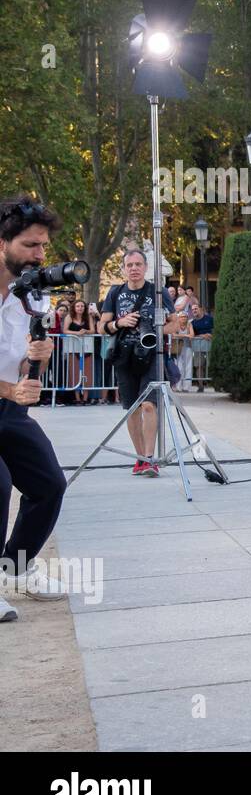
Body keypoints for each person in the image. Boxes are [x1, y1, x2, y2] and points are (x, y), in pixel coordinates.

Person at [0, 195, 70, 621]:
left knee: (48, 485)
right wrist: (10, 390)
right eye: (30, 245)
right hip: (5, 398)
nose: (40, 255)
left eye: (43, 245)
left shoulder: (33, 295)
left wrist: (37, 355)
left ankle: (16, 568)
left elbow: (26, 363)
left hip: (9, 409)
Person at [98, 248, 183, 476]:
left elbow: (175, 325)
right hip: (124, 356)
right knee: (132, 409)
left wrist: (155, 331)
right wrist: (120, 322)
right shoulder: (115, 292)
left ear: (145, 267)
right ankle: (139, 458)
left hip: (151, 356)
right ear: (124, 269)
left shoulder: (158, 292)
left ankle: (149, 457)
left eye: (138, 264)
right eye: (129, 265)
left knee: (149, 405)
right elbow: (101, 326)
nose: (134, 268)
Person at [63, 299, 93, 405]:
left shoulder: (88, 317)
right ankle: (77, 398)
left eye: (82, 306)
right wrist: (77, 333)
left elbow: (93, 331)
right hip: (73, 348)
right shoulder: (69, 317)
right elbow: (65, 330)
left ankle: (85, 398)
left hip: (87, 348)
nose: (80, 308)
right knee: (74, 372)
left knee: (87, 372)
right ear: (74, 308)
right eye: (78, 306)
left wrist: (86, 331)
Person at [189, 304, 213, 391]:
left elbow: (215, 329)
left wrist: (211, 335)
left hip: (211, 345)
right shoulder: (192, 323)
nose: (194, 310)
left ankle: (216, 384)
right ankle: (201, 385)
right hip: (198, 346)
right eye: (192, 309)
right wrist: (202, 335)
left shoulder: (209, 319)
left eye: (196, 308)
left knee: (212, 365)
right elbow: (191, 335)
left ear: (201, 309)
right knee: (198, 366)